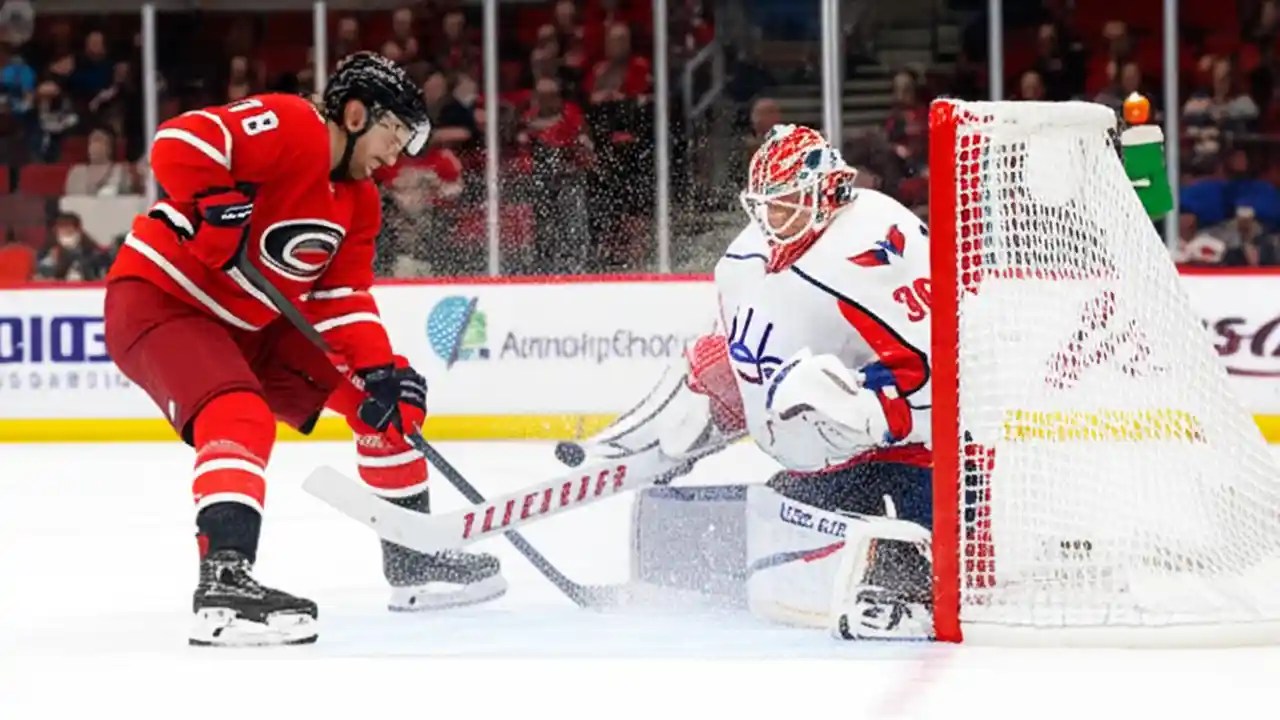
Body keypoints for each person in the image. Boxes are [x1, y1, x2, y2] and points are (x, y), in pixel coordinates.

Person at [103, 52, 507, 647]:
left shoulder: (359, 201)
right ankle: (224, 583)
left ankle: (412, 561)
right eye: (392, 134)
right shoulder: (292, 126)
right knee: (236, 412)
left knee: (386, 402)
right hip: (165, 300)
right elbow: (179, 140)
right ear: (353, 112)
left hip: (255, 323)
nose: (396, 155)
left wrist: (376, 369)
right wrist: (214, 198)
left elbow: (342, 299)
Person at [563, 124, 933, 640]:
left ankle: (918, 571)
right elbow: (745, 355)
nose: (769, 218)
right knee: (770, 491)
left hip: (915, 455)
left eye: (784, 204)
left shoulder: (872, 245)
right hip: (837, 459)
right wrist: (717, 397)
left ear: (825, 192)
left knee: (819, 397)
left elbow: (932, 373)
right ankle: (638, 438)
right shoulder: (752, 256)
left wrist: (861, 406)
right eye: (765, 205)